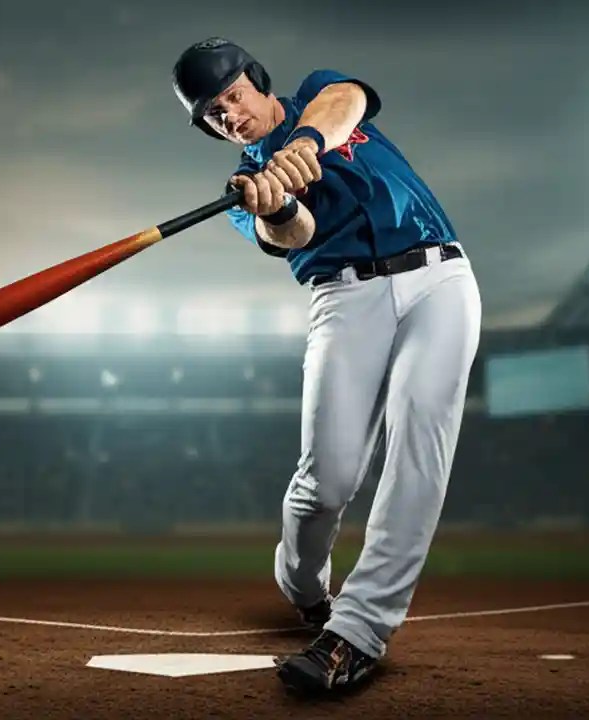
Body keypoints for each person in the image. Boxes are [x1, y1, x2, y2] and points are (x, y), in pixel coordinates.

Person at [171, 37, 483, 697]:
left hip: (439, 277)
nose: (230, 114)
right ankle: (303, 585)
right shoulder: (241, 192)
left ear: (257, 82)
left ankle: (359, 632)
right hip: (344, 299)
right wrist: (275, 203)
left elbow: (349, 101)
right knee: (328, 480)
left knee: (419, 438)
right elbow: (295, 236)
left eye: (233, 95)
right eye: (213, 114)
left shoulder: (321, 94)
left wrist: (305, 146)